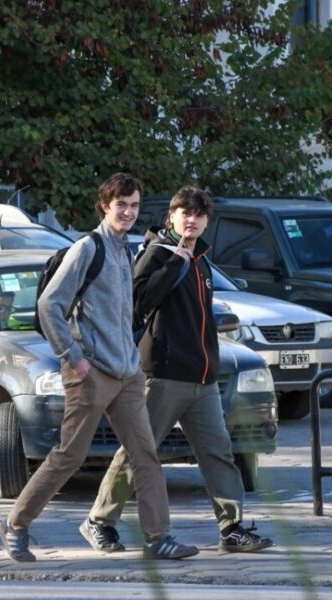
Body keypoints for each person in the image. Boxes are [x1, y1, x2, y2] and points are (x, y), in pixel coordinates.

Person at [0, 173, 198, 562]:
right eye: (121, 204)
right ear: (105, 205)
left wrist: (133, 364)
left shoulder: (126, 249)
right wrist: (72, 356)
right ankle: (16, 525)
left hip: (126, 374)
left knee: (145, 455)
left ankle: (160, 538)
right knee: (69, 456)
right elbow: (49, 305)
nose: (128, 211)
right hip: (90, 373)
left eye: (135, 205)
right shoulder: (89, 248)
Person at [80, 186, 273, 556]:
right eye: (186, 213)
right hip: (163, 375)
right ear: (171, 217)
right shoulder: (157, 253)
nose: (193, 220)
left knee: (218, 453)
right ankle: (99, 521)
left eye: (200, 215)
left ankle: (231, 528)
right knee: (140, 452)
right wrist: (175, 262)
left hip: (202, 378)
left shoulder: (202, 260)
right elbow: (137, 303)